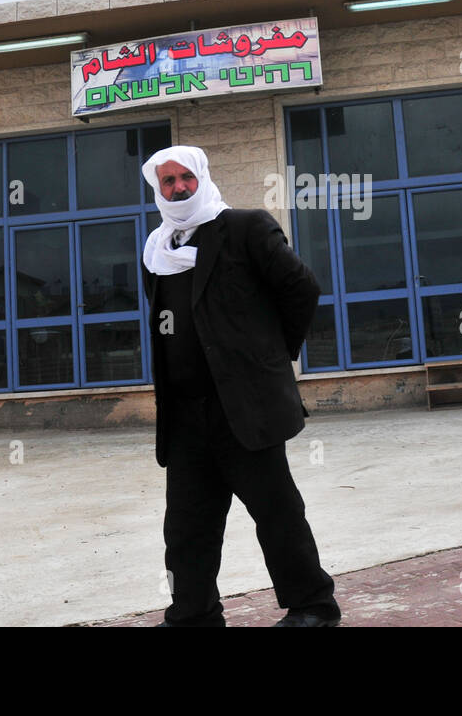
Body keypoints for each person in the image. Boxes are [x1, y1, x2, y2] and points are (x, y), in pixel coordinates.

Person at [139, 144, 340, 627]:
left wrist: (272, 357)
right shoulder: (156, 251)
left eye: (185, 177)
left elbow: (302, 289)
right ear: (158, 189)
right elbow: (165, 321)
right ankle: (193, 614)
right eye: (168, 181)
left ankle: (314, 606)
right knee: (186, 528)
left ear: (201, 176)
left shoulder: (245, 227)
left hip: (244, 407)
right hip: (186, 416)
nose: (179, 187)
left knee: (276, 514)